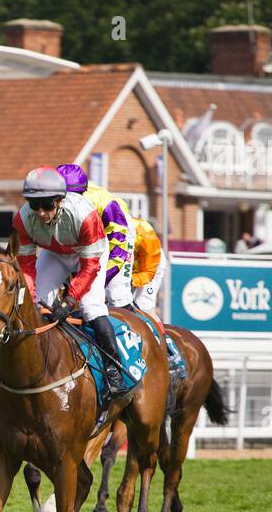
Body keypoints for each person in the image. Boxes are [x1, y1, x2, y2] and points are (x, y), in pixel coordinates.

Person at [12, 166, 130, 399]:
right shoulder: (22, 219)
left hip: (89, 255)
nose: (41, 212)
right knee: (40, 301)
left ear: (60, 200)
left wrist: (68, 301)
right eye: (35, 205)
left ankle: (113, 368)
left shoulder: (84, 216)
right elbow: (25, 266)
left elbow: (89, 268)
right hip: (54, 252)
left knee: (90, 306)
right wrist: (33, 298)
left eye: (47, 205)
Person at [59, 164, 136, 310]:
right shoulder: (51, 204)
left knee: (116, 293)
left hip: (117, 229)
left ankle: (136, 331)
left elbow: (118, 249)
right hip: (86, 235)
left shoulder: (104, 203)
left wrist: (96, 281)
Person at [130, 216, 167, 316]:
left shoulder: (143, 231)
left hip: (151, 265)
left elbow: (148, 273)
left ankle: (159, 332)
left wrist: (131, 280)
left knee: (143, 304)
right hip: (133, 264)